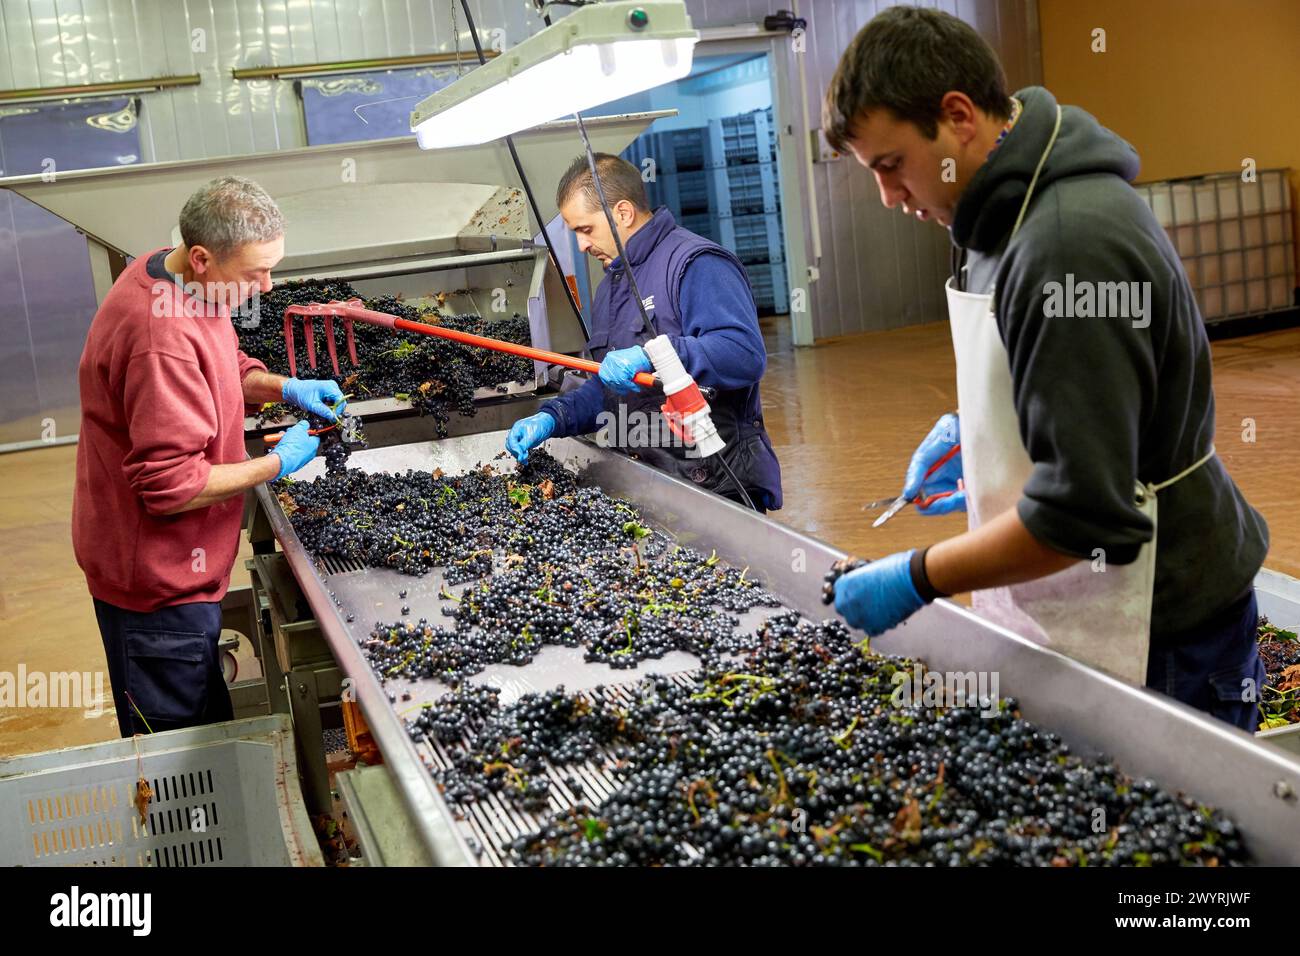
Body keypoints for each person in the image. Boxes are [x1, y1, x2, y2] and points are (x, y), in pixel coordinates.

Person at [823, 6, 1268, 729]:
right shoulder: (995, 214)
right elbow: (1086, 383)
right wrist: (989, 433)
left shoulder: (1066, 242)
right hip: (1085, 601)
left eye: (891, 166)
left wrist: (919, 574)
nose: (890, 198)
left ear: (958, 117)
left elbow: (1083, 515)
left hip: (1164, 624)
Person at [73, 175, 343, 735]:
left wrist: (283, 386)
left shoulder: (171, 272)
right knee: (183, 758)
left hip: (178, 573)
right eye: (255, 273)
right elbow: (170, 486)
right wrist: (277, 464)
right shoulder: (158, 340)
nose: (268, 287)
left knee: (206, 725)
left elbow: (222, 362)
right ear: (200, 257)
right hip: (157, 586)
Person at [505, 153, 782, 512]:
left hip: (716, 488)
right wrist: (554, 416)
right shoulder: (610, 289)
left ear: (622, 212)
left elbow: (742, 353)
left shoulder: (695, 264)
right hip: (646, 484)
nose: (582, 246)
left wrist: (654, 356)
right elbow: (608, 388)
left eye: (585, 230)